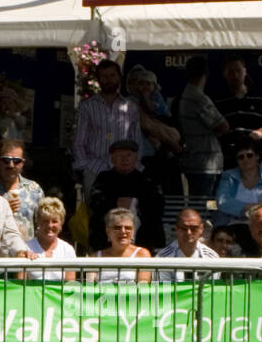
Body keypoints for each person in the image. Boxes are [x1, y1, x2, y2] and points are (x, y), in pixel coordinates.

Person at [72, 58, 140, 195]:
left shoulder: (130, 107)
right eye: (104, 76)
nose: (109, 80)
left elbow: (136, 140)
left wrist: (136, 165)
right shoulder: (88, 106)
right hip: (95, 168)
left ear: (119, 77)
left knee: (123, 213)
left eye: (112, 76)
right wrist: (84, 166)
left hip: (124, 169)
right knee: (96, 212)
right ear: (98, 79)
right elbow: (79, 141)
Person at [88, 140, 165, 254]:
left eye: (129, 155)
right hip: (107, 240)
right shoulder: (103, 179)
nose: (125, 159)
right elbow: (95, 201)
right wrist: (115, 204)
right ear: (112, 158)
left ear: (135, 157)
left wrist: (136, 203)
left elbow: (158, 204)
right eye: (120, 156)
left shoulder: (147, 180)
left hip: (143, 238)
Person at [177, 56, 229, 196]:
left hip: (196, 161)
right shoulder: (198, 98)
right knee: (207, 206)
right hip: (206, 165)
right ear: (206, 74)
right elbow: (223, 126)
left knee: (202, 205)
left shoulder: (186, 95)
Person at [125, 65, 182, 191]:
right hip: (143, 157)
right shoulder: (129, 102)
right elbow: (147, 125)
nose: (141, 87)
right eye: (137, 82)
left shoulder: (154, 98)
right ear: (128, 85)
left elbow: (165, 125)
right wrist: (173, 143)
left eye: (146, 83)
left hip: (157, 156)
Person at [215, 55, 262, 158]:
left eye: (238, 71)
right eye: (231, 71)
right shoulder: (218, 102)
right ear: (225, 74)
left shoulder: (260, 99)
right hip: (228, 159)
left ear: (245, 72)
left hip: (255, 157)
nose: (235, 75)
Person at [216, 142, 262, 228]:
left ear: (257, 156)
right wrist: (252, 207)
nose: (245, 159)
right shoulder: (229, 176)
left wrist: (254, 211)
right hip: (234, 227)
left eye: (249, 155)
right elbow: (222, 202)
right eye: (241, 157)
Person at [7, 197, 77, 279]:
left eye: (54, 221)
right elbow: (20, 285)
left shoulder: (68, 250)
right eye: (45, 221)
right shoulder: (26, 248)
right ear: (38, 222)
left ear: (61, 223)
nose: (50, 225)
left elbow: (70, 286)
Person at [0, 138, 42, 240]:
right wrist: (3, 212)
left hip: (26, 253)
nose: (11, 165)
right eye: (6, 160)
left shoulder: (34, 190)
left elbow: (42, 226)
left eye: (16, 161)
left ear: (23, 163)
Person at [154, 207, 217, 277]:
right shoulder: (162, 258)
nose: (189, 233)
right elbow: (163, 287)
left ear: (201, 229)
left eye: (194, 228)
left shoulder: (211, 257)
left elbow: (212, 287)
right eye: (184, 228)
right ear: (176, 229)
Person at [96, 207, 151, 283]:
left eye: (128, 228)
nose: (123, 231)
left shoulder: (142, 254)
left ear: (133, 232)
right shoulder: (96, 256)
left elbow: (143, 285)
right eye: (117, 228)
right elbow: (90, 286)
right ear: (108, 231)